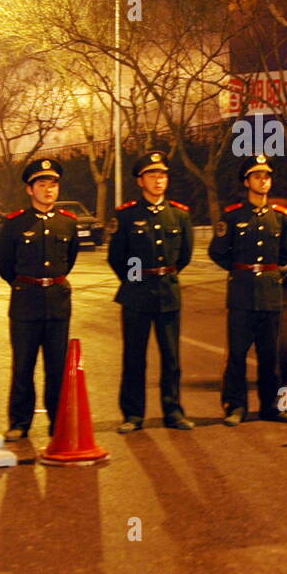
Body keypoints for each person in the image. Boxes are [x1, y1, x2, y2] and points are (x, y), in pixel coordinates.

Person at [108, 151, 194, 433]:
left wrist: (163, 277)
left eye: (162, 174)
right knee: (134, 357)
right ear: (140, 181)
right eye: (152, 175)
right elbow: (117, 256)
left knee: (171, 357)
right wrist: (137, 280)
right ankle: (133, 414)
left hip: (168, 293)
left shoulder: (179, 214)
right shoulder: (127, 215)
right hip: (136, 295)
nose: (158, 180)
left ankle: (173, 411)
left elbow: (183, 256)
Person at [0, 158, 80, 441]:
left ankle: (59, 421)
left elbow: (69, 260)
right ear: (30, 189)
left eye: (53, 185)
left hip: (57, 302)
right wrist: (28, 284)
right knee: (23, 366)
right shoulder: (15, 223)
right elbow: (5, 266)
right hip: (26, 303)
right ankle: (20, 423)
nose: (48, 190)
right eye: (41, 184)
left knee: (57, 367)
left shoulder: (67, 223)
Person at [209, 155, 287, 426]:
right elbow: (218, 252)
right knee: (237, 355)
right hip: (242, 295)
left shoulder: (280, 217)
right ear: (247, 182)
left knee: (272, 356)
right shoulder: (233, 215)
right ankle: (235, 407)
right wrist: (240, 270)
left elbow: (285, 255)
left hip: (270, 294)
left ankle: (272, 406)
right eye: (257, 176)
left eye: (267, 176)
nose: (263, 180)